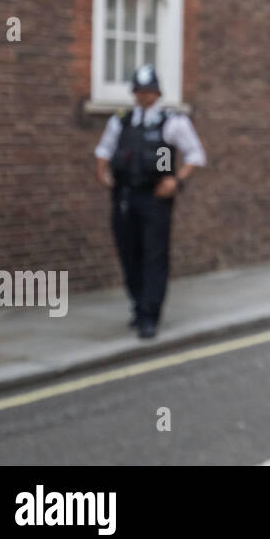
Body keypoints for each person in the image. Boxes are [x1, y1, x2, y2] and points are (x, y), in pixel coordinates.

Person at [94, 64, 206, 339]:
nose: (143, 96)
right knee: (129, 252)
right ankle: (137, 304)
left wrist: (175, 181)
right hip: (124, 196)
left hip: (155, 196)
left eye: (149, 91)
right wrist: (103, 172)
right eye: (139, 91)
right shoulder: (121, 120)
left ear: (157, 93)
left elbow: (195, 155)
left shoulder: (171, 121)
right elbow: (105, 149)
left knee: (154, 255)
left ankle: (150, 314)